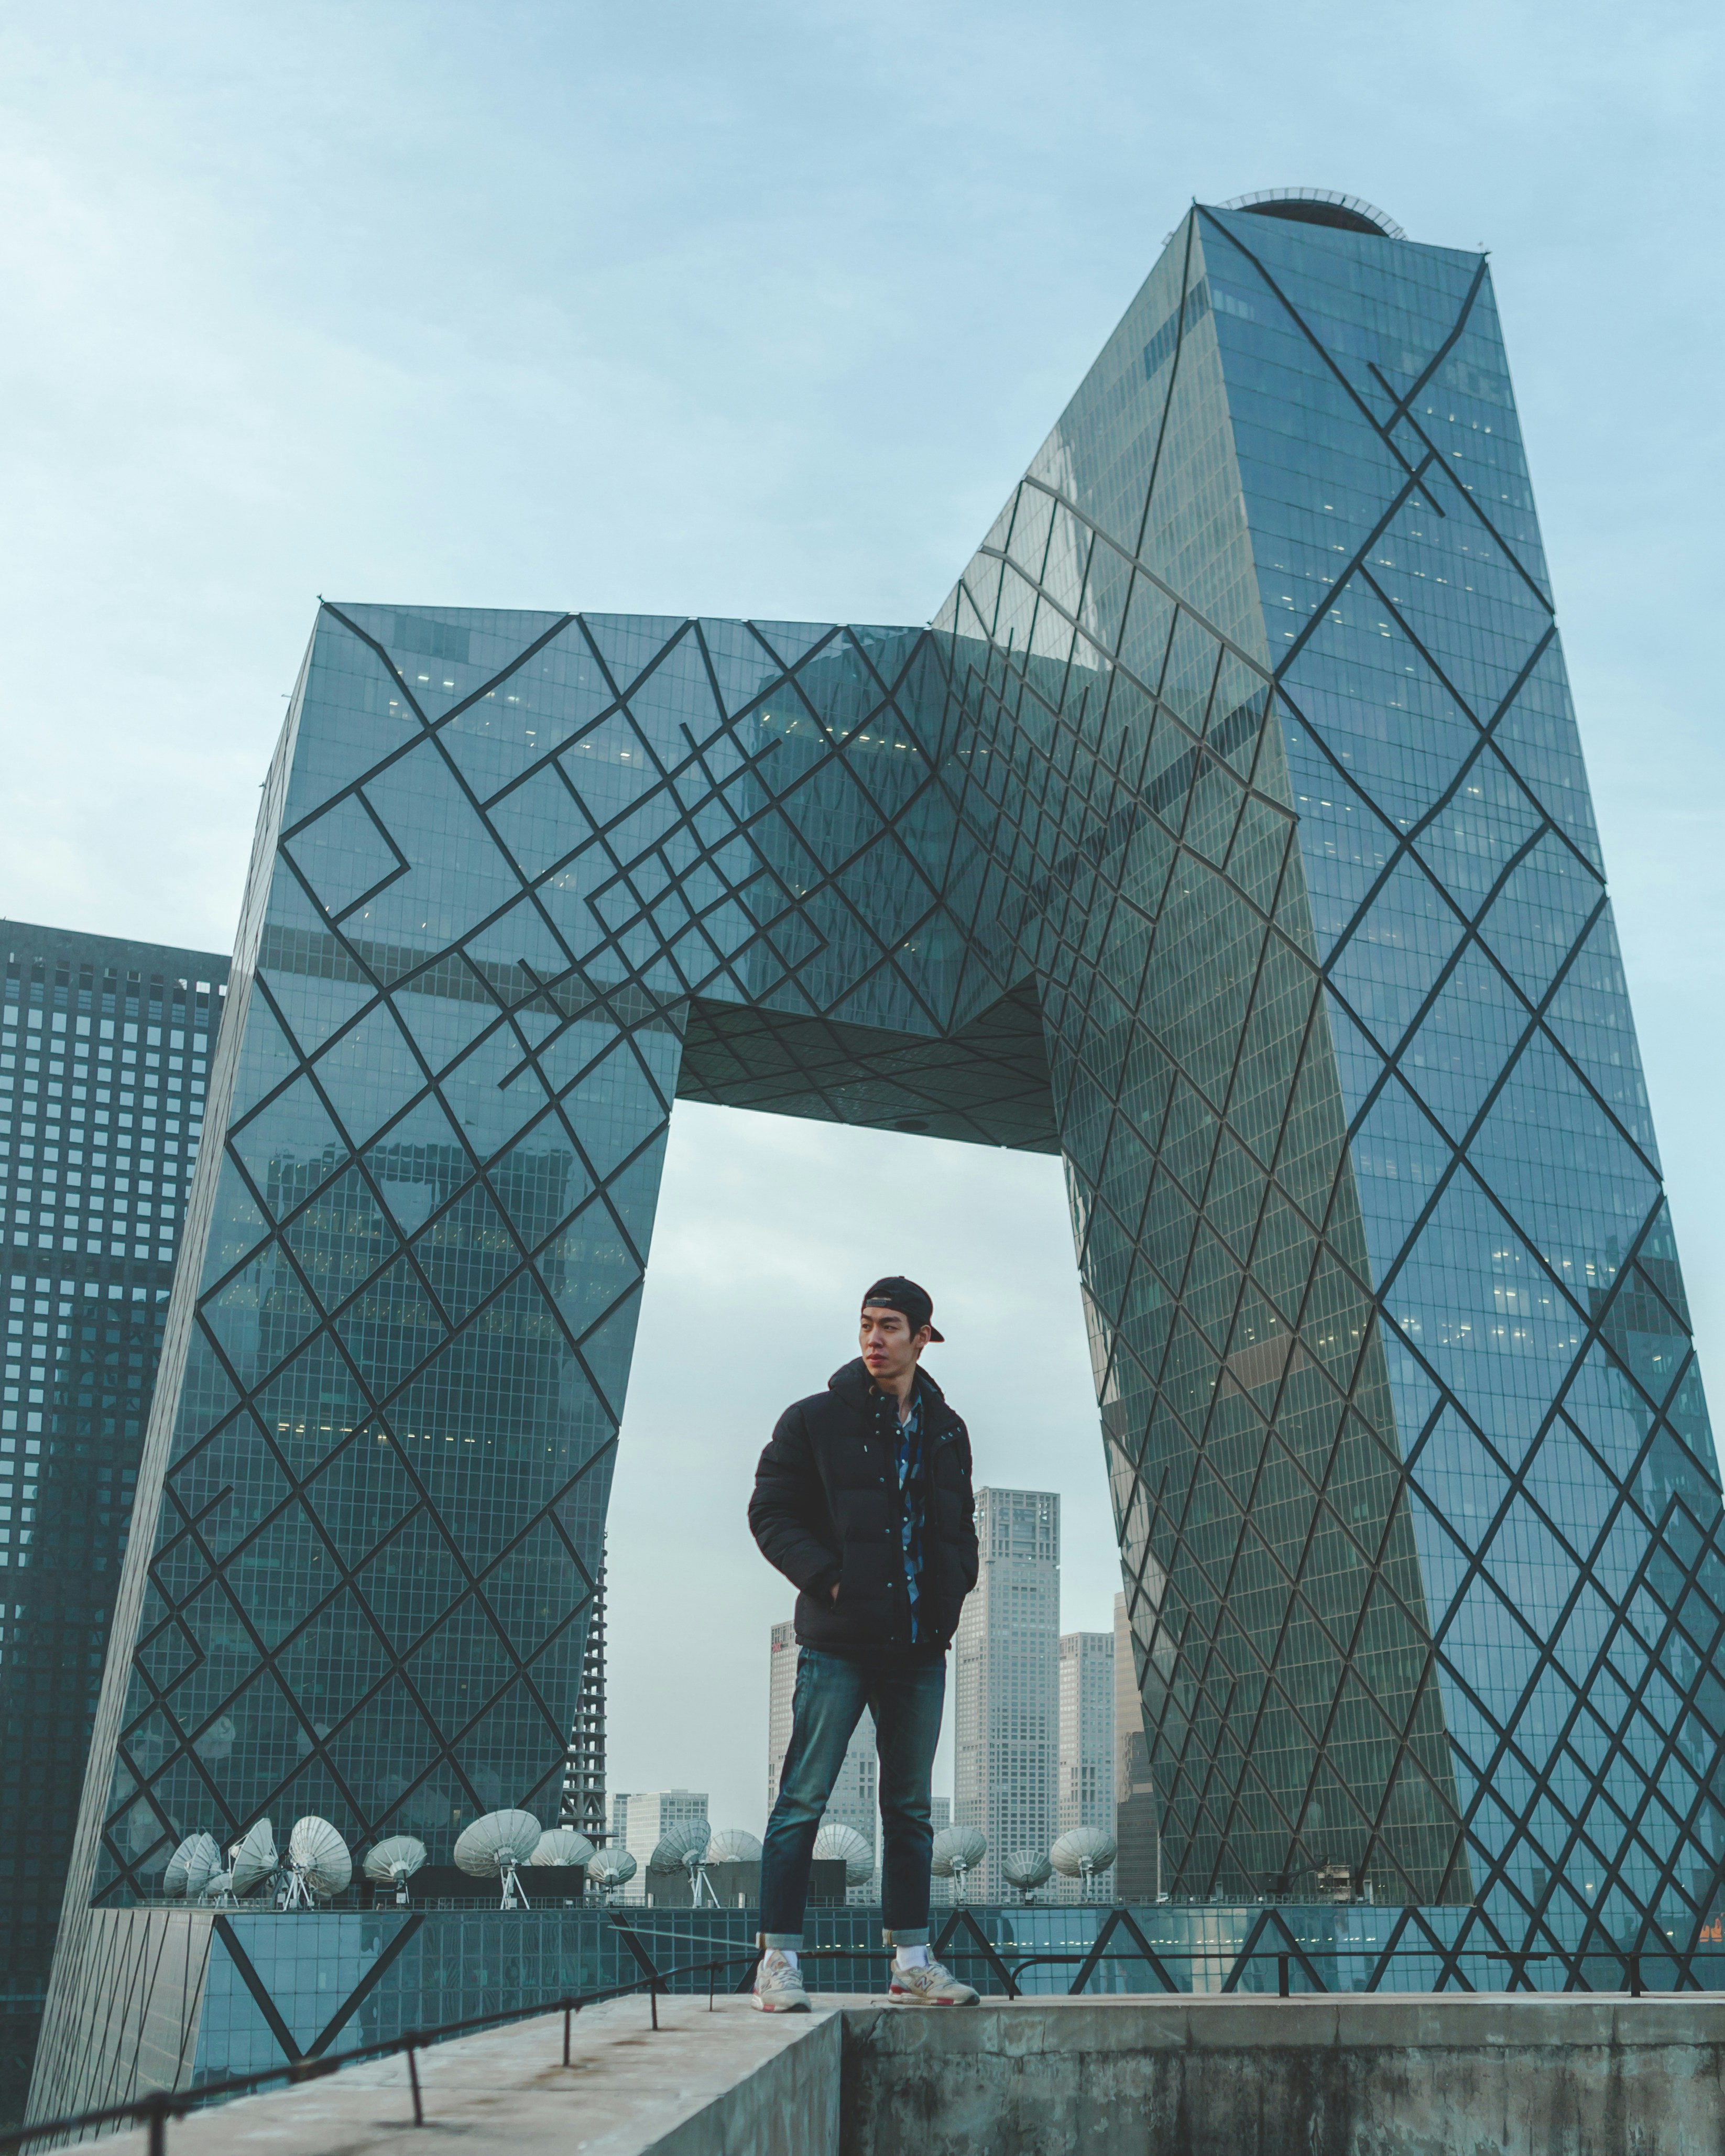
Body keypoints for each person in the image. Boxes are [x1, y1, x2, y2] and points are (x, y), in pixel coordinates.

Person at [747, 1275, 981, 2010]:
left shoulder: (947, 1430)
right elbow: (771, 1513)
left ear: (922, 1338)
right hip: (839, 1643)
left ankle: (913, 1958)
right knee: (801, 1801)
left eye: (890, 1327)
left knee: (909, 1809)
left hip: (918, 1648)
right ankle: (778, 1963)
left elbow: (957, 1533)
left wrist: (948, 1602)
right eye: (866, 1326)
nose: (874, 1339)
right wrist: (832, 1582)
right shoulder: (814, 1420)